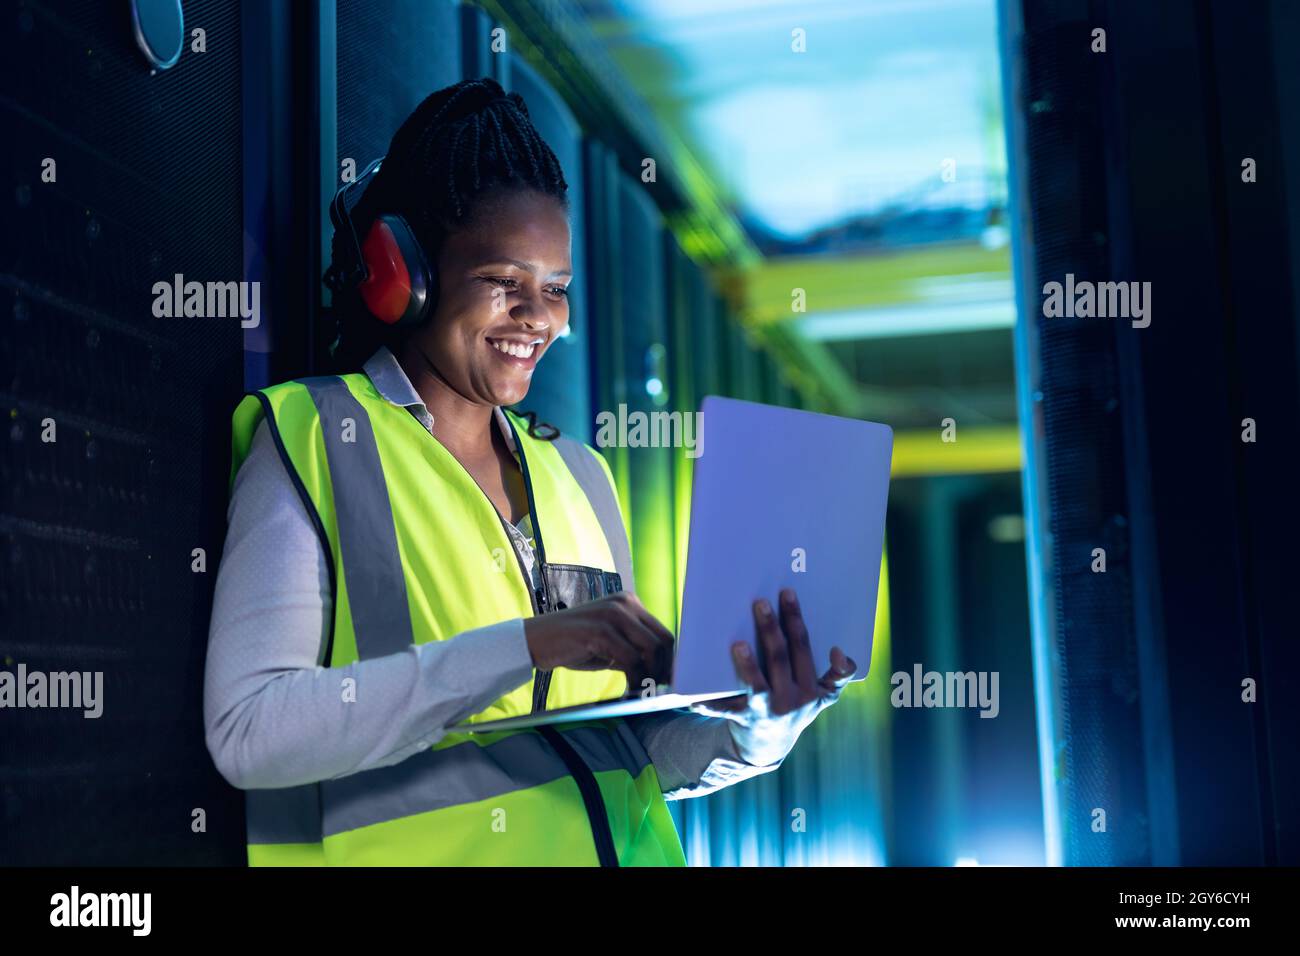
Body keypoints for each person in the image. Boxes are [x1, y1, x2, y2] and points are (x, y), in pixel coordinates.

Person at [203, 76, 855, 866]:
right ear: (403, 276)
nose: (538, 317)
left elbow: (622, 754)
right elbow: (249, 732)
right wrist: (529, 645)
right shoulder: (313, 439)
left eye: (555, 290)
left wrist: (757, 728)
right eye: (504, 284)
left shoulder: (580, 476)